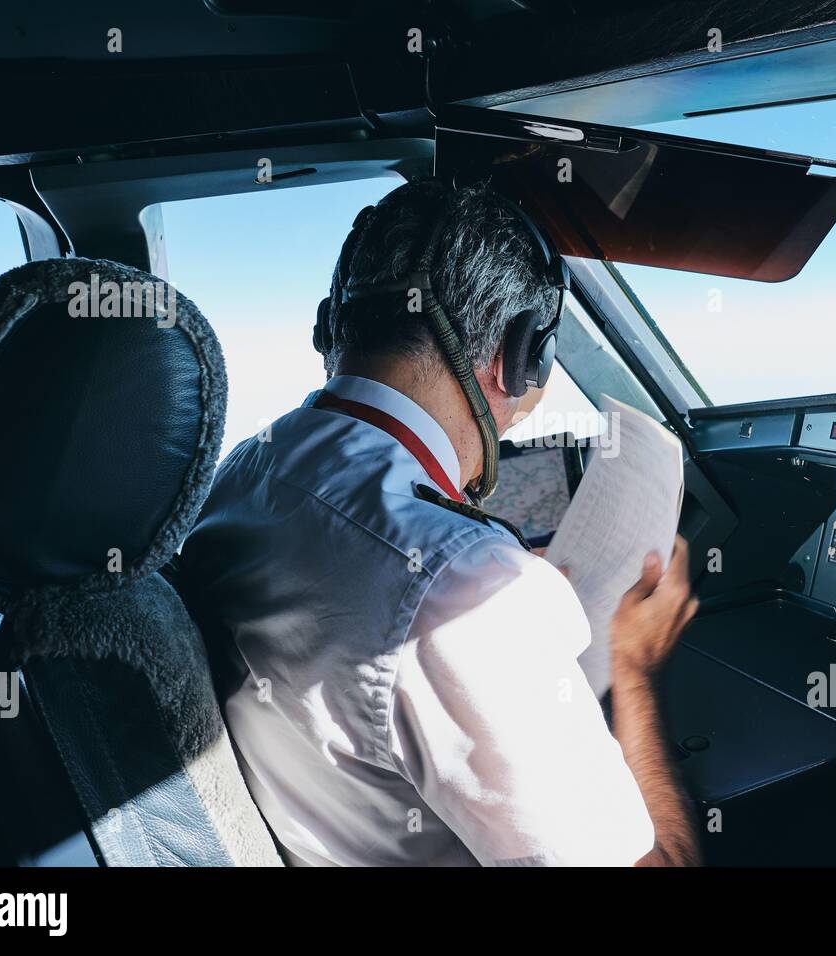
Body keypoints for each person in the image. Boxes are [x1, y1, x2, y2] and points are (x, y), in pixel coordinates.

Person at [174, 178, 700, 866]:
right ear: (519, 356)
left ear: (333, 325)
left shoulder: (243, 474)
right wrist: (635, 669)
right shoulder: (467, 590)